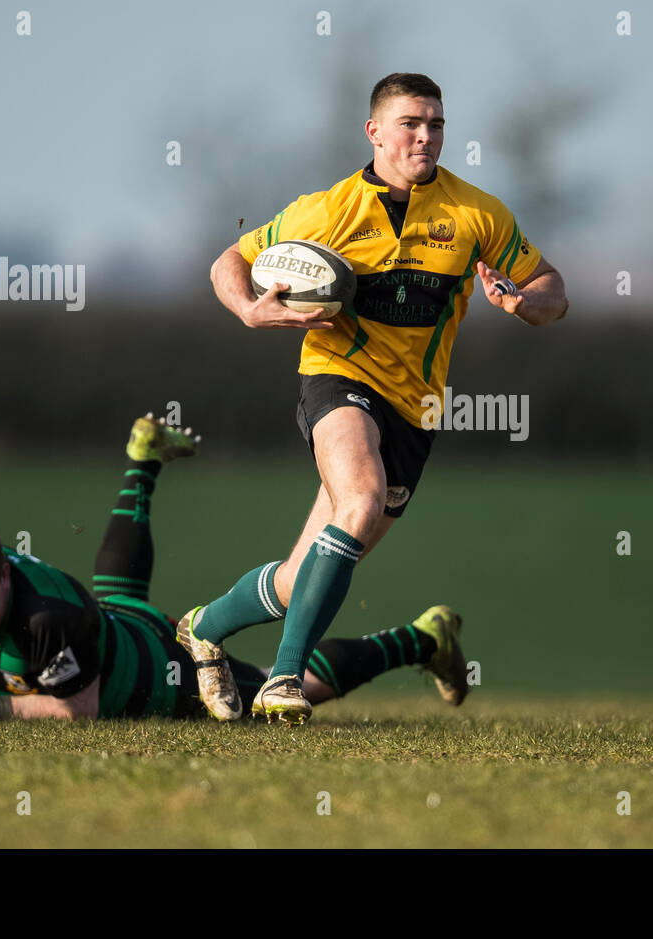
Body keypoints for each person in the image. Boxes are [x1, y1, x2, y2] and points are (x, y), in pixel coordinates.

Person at [182, 71, 568, 725]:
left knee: (302, 572)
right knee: (359, 499)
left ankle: (203, 624)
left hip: (415, 411)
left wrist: (524, 301)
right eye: (411, 123)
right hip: (338, 378)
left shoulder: (478, 213)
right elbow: (231, 260)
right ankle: (283, 679)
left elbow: (554, 290)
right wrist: (249, 309)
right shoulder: (327, 210)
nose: (425, 135)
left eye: (436, 124)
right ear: (375, 132)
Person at [0, 416, 466, 721]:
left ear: (6, 577)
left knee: (297, 692)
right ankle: (143, 459)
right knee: (115, 594)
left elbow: (78, 712)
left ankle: (421, 637)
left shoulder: (47, 620)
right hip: (113, 626)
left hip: (157, 669)